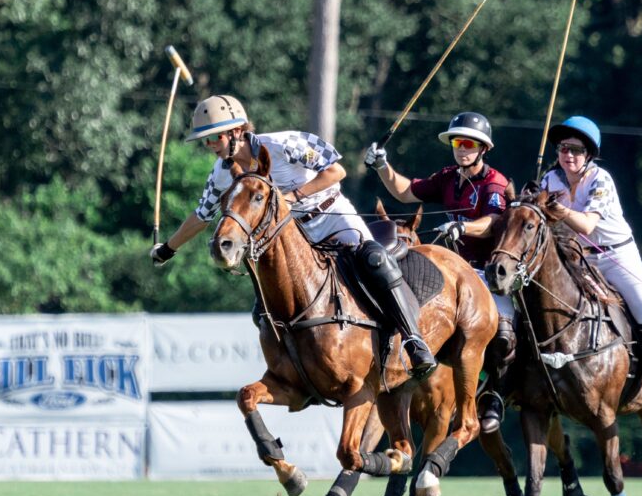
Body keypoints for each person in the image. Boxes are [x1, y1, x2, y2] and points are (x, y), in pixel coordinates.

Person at [151, 95, 436, 379]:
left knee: (374, 262)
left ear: (237, 131)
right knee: (263, 308)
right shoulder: (221, 174)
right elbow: (202, 216)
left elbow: (337, 171)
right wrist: (168, 248)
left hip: (331, 217)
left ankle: (413, 340)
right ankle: (299, 373)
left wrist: (292, 196)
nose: (210, 145)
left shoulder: (283, 144)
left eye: (215, 137)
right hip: (293, 237)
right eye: (207, 140)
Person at [365, 112, 516, 431]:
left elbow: (493, 221)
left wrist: (464, 228)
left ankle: (495, 396)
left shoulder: (494, 183)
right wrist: (382, 166)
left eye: (469, 144)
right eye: (457, 142)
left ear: (483, 149)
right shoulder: (448, 178)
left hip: (489, 275)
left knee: (503, 334)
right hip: (455, 274)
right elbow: (406, 191)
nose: (462, 149)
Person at [538, 116, 642, 413]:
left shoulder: (600, 179)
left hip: (616, 256)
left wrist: (556, 208)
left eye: (577, 150)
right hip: (577, 257)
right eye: (564, 148)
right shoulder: (549, 180)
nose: (569, 155)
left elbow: (587, 226)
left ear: (589, 154)